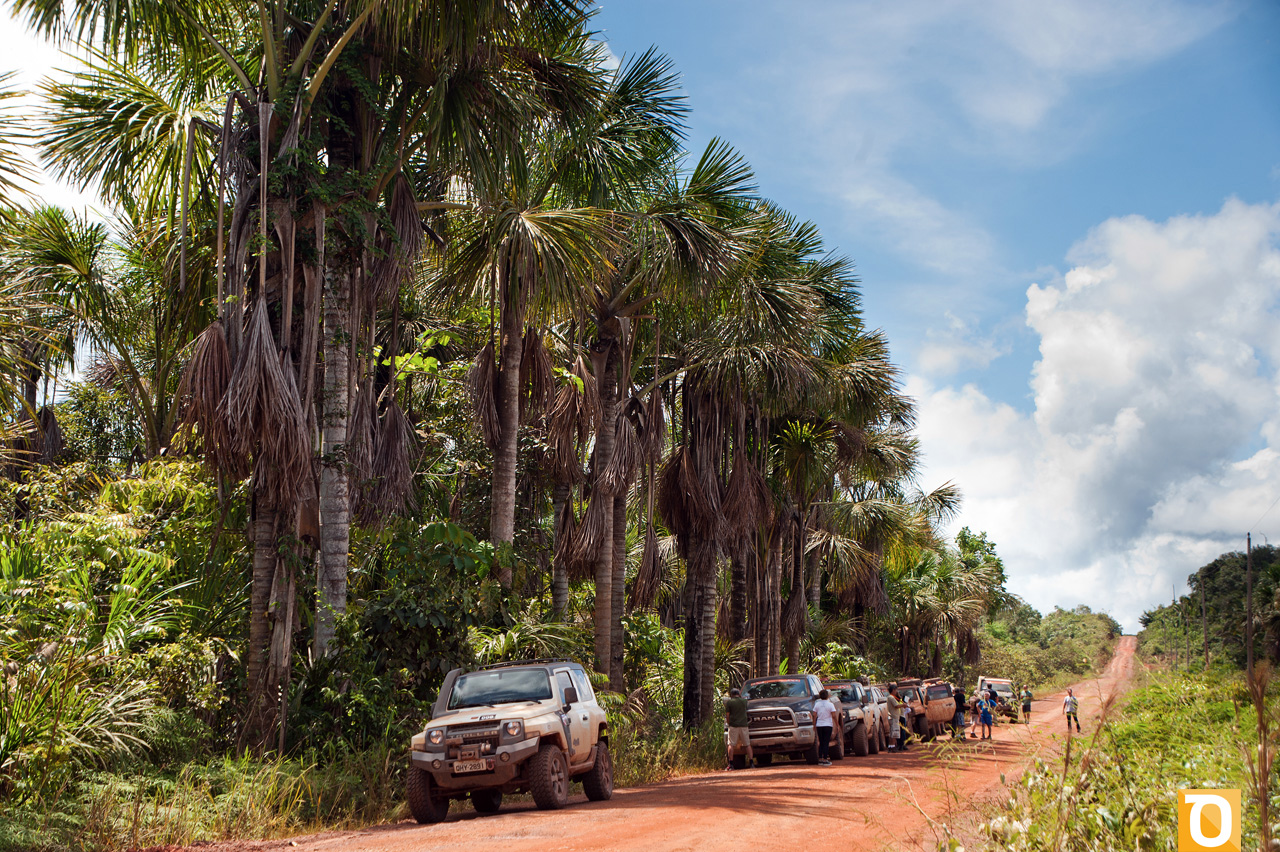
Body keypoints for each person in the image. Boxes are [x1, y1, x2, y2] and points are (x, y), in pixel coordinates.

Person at [724, 687, 753, 769]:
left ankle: (731, 764)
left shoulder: (729, 702)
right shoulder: (744, 701)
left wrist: (729, 723)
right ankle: (751, 763)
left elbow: (727, 715)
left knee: (731, 744)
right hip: (744, 725)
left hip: (733, 726)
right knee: (747, 744)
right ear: (738, 694)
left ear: (731, 695)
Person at [813, 689, 837, 766]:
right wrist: (836, 724)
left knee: (821, 742)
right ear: (827, 696)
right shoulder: (830, 704)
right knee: (826, 742)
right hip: (828, 725)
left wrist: (814, 725)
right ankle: (825, 759)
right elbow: (833, 715)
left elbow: (814, 715)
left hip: (819, 725)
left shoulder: (817, 704)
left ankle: (820, 759)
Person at [885, 686, 901, 751]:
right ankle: (892, 746)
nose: (897, 691)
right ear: (893, 690)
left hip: (894, 717)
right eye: (896, 690)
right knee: (894, 733)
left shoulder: (891, 697)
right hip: (893, 717)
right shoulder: (891, 697)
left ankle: (891, 746)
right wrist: (903, 705)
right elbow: (896, 706)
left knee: (893, 732)